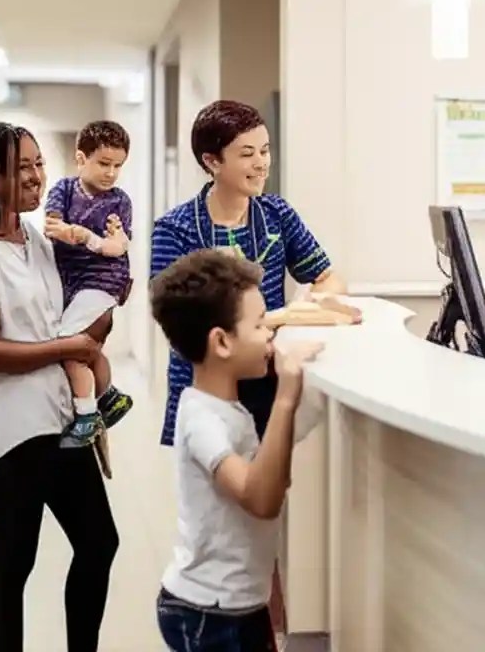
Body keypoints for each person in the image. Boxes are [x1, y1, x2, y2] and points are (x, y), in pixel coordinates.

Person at [0, 122, 118, 652]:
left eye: (41, 164)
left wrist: (94, 324)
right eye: (24, 167)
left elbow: (58, 321)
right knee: (13, 566)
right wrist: (68, 349)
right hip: (12, 434)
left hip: (60, 421)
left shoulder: (35, 240)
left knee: (99, 542)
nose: (39, 176)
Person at [149, 248, 323, 652]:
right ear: (222, 342)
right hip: (208, 612)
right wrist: (284, 398)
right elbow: (260, 498)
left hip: (237, 603)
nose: (270, 336)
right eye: (261, 325)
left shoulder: (230, 409)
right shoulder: (200, 420)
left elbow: (275, 454)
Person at [150, 99, 345, 447]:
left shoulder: (277, 215)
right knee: (217, 493)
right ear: (212, 161)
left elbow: (327, 277)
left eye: (265, 151)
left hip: (264, 378)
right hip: (205, 387)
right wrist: (280, 318)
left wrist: (311, 304)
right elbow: (179, 322)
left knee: (267, 489)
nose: (261, 164)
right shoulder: (175, 229)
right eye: (247, 154)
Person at [42, 121, 135, 470]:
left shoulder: (119, 201)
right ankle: (110, 397)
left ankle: (86, 416)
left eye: (118, 165)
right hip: (71, 282)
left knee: (68, 346)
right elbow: (52, 227)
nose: (112, 173)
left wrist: (85, 237)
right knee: (87, 347)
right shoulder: (63, 189)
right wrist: (69, 232)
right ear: (81, 158)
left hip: (103, 281)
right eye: (104, 163)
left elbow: (118, 247)